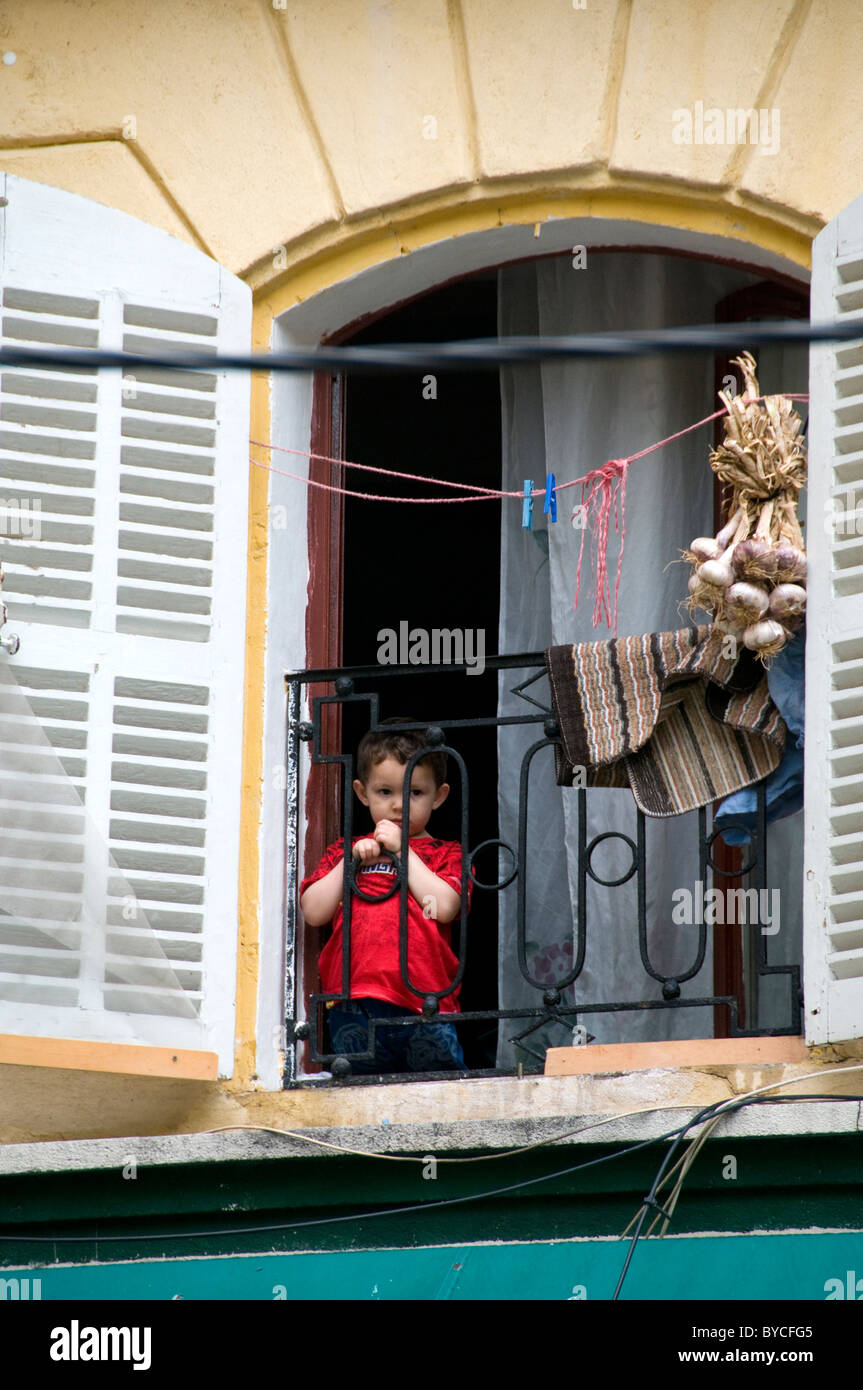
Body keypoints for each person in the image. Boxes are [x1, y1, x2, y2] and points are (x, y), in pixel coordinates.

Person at [299, 722, 470, 1074]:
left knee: (439, 1086)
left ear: (438, 796)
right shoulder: (345, 851)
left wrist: (403, 851)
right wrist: (349, 863)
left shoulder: (444, 854)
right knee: (361, 1085)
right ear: (363, 793)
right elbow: (314, 912)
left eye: (414, 793)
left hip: (424, 1002)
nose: (397, 805)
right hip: (355, 1001)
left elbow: (446, 906)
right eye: (385, 792)